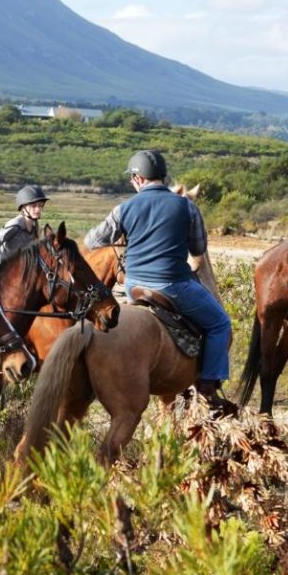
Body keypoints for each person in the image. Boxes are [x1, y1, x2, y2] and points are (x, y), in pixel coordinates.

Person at [84, 150, 234, 412]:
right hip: (172, 285)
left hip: (135, 284)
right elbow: (198, 249)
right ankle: (209, 387)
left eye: (132, 179)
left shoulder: (124, 208)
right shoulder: (187, 207)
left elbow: (92, 241)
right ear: (162, 178)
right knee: (220, 324)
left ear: (137, 178)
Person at [0, 184, 49, 264]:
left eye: (40, 205)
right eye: (33, 206)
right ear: (23, 208)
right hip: (7, 269)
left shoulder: (35, 227)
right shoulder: (15, 226)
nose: (38, 209)